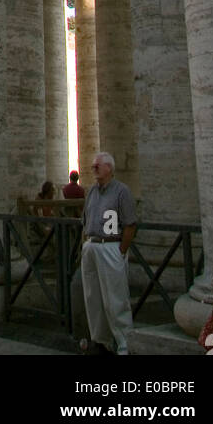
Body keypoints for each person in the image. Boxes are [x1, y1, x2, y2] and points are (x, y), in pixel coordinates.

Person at [79, 151, 138, 356]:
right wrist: (85, 244)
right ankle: (101, 341)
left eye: (98, 165)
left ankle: (124, 343)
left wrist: (121, 250)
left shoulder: (122, 191)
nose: (94, 168)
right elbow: (85, 220)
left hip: (111, 246)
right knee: (93, 297)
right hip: (92, 246)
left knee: (116, 297)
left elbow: (130, 224)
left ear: (109, 168)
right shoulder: (92, 191)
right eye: (93, 165)